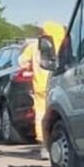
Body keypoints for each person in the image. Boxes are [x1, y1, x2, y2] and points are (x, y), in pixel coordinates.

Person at [18, 21, 66, 159]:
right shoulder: (65, 45)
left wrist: (30, 68)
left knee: (42, 115)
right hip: (61, 86)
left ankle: (45, 146)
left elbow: (21, 62)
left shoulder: (34, 47)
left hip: (41, 87)